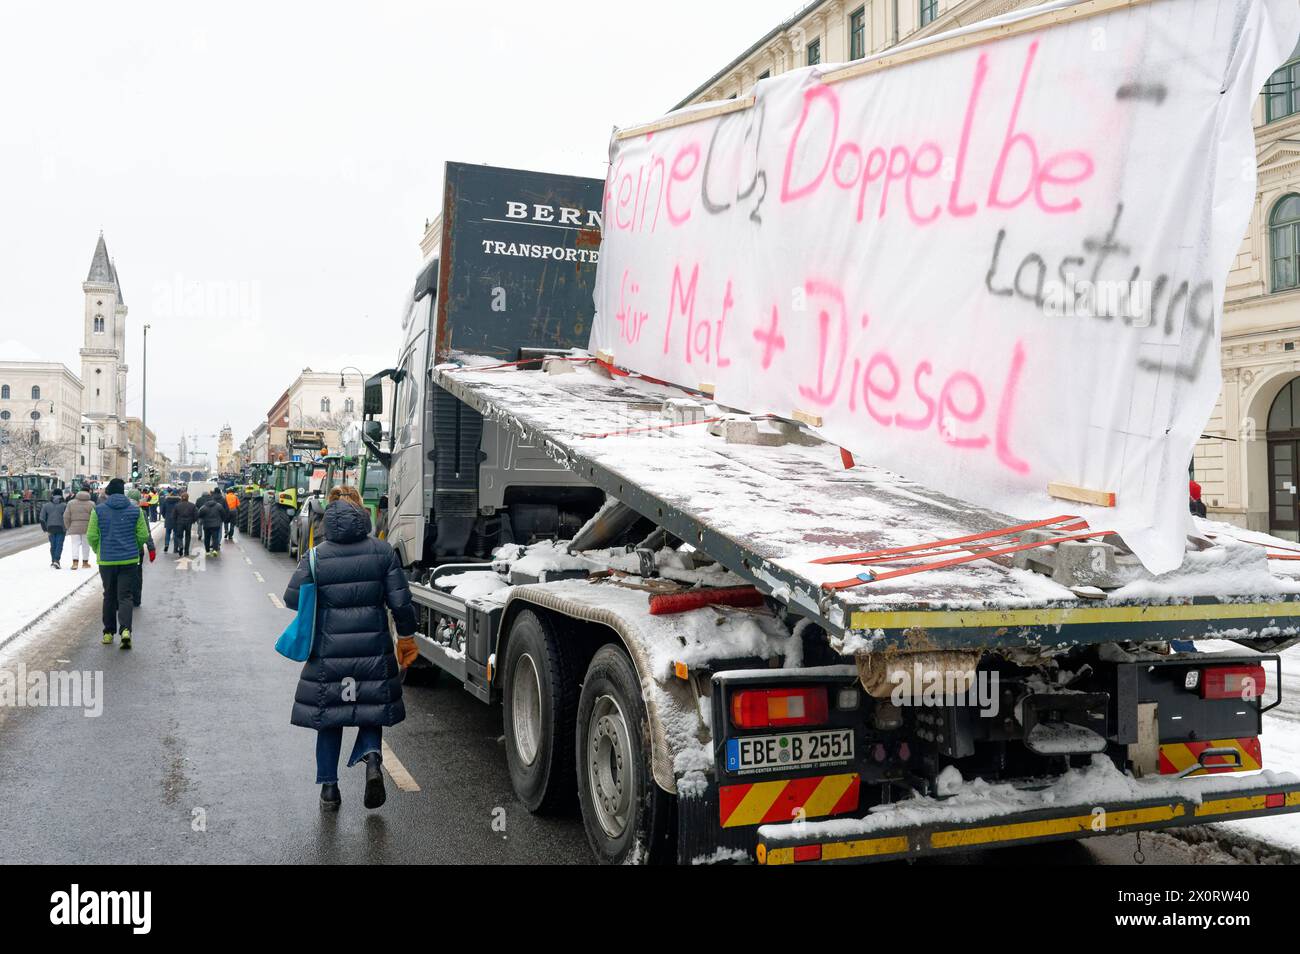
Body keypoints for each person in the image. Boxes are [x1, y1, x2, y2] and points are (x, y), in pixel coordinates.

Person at [284, 485, 418, 812]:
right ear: (361, 511)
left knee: (329, 719)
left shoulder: (316, 555)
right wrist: (407, 637)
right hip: (373, 651)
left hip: (329, 655)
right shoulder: (382, 551)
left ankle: (329, 790)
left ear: (329, 514)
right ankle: (372, 759)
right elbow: (401, 603)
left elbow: (291, 598)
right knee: (369, 710)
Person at [87, 477, 155, 649]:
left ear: (108, 492)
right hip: (129, 560)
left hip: (107, 560)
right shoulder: (135, 511)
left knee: (109, 595)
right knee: (125, 596)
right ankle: (126, 631)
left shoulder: (98, 511)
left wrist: (99, 550)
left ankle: (108, 633)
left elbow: (92, 536)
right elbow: (143, 535)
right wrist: (133, 547)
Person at [64, 488, 94, 569]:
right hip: (87, 527)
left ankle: (75, 563)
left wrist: (68, 527)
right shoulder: (91, 504)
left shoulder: (71, 503)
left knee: (75, 544)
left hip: (74, 527)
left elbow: (66, 516)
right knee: (86, 545)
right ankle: (85, 563)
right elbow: (94, 517)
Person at [39, 490, 68, 569]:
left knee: (53, 545)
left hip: (50, 528)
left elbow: (42, 518)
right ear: (61, 495)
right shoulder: (64, 505)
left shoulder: (46, 505)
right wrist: (67, 527)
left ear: (52, 495)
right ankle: (56, 560)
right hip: (61, 528)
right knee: (59, 545)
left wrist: (45, 529)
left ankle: (53, 561)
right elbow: (67, 517)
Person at [197, 491, 225, 556]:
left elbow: (199, 515)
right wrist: (221, 520)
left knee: (207, 538)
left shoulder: (204, 507)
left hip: (206, 525)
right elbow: (223, 514)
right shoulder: (219, 506)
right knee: (215, 538)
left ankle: (207, 551)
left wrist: (203, 519)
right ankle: (215, 550)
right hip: (216, 525)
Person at [173, 492, 198, 556]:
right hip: (188, 523)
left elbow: (174, 515)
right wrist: (193, 520)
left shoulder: (177, 505)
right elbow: (196, 515)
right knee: (188, 536)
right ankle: (186, 551)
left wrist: (176, 521)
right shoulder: (192, 505)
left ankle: (180, 546)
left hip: (180, 522)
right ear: (188, 498)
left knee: (179, 536)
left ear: (181, 497)